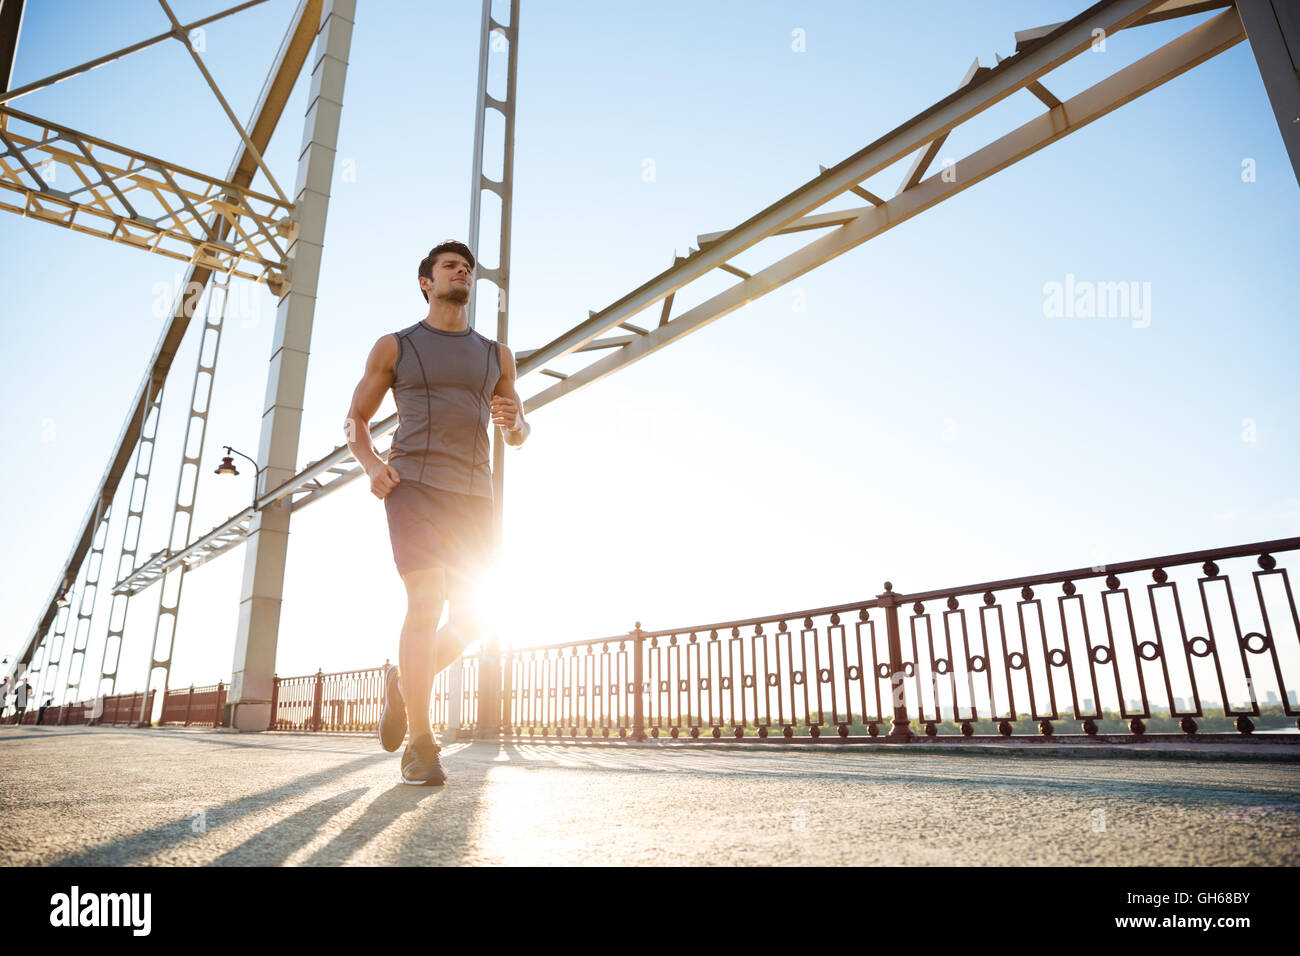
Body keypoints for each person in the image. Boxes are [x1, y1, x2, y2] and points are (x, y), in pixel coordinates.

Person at [345, 240, 531, 786]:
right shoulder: (396, 346)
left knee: (475, 618)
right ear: (427, 282)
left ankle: (404, 685)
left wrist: (514, 420)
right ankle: (422, 746)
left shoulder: (497, 355)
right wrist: (370, 464)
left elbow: (520, 434)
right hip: (414, 486)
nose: (462, 272)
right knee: (427, 600)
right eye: (450, 267)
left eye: (467, 268)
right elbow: (355, 418)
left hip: (475, 496)